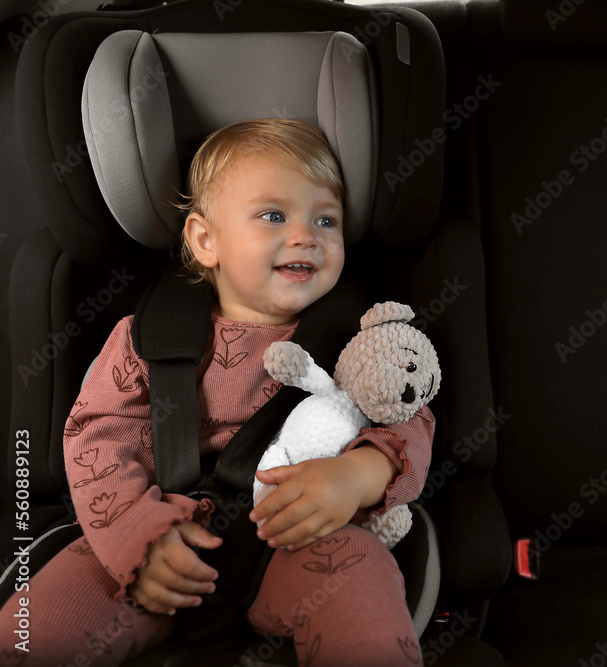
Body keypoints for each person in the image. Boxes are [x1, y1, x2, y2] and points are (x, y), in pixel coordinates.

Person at [0, 118, 432, 666]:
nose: (306, 235)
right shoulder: (149, 337)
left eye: (326, 219)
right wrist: (135, 535)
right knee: (35, 630)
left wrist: (359, 476)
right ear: (206, 240)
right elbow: (96, 435)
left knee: (357, 568)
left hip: (297, 539)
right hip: (154, 538)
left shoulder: (359, 340)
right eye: (274, 215)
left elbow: (410, 417)